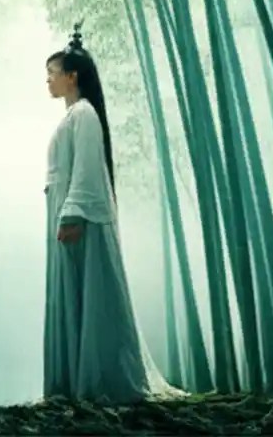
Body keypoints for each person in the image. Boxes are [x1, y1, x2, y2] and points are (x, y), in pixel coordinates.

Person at [42, 22, 181, 404]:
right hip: (66, 213)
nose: (48, 81)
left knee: (91, 295)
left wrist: (72, 213)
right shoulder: (72, 117)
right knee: (74, 295)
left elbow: (87, 167)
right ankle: (75, 381)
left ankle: (103, 380)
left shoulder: (84, 115)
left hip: (79, 218)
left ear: (73, 76)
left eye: (53, 73)